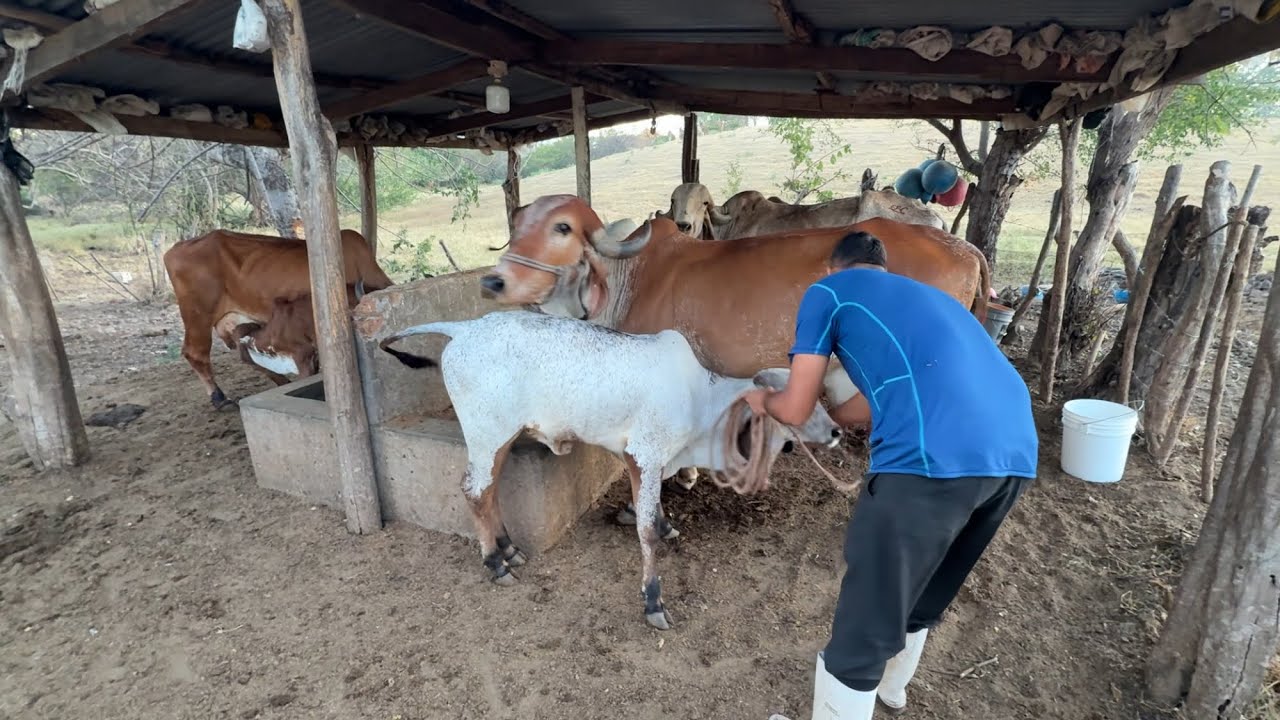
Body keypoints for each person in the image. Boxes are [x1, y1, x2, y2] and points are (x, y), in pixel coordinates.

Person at [743, 231, 1038, 720]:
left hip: (928, 464)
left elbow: (795, 406)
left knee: (863, 629)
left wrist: (763, 400)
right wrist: (835, 418)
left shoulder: (829, 292)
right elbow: (896, 387)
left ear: (834, 268)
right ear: (882, 266)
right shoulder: (931, 299)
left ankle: (857, 692)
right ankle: (894, 690)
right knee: (924, 590)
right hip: (1013, 458)